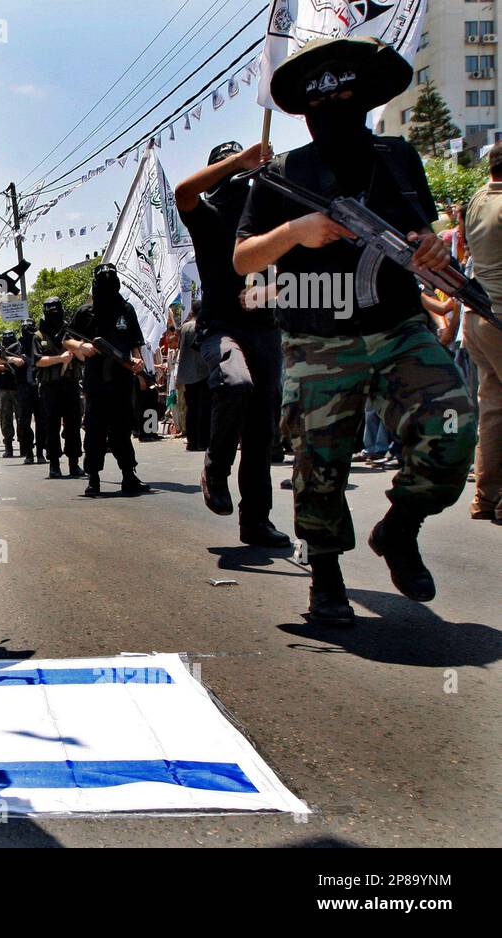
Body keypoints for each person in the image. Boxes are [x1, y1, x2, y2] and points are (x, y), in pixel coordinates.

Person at [234, 37, 477, 624]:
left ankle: (400, 528)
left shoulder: (396, 157)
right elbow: (243, 262)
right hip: (319, 340)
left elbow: (419, 231)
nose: (341, 107)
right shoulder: (284, 174)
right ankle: (324, 572)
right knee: (318, 467)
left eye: (350, 94)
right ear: (309, 112)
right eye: (329, 100)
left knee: (453, 433)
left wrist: (424, 247)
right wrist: (298, 231)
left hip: (397, 327)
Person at [176, 141, 292, 547]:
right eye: (229, 171)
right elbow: (183, 193)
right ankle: (216, 466)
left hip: (264, 329)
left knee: (261, 434)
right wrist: (236, 162)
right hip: (219, 326)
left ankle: (255, 521)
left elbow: (297, 271)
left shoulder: (266, 215)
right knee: (234, 383)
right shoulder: (206, 215)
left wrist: (271, 291)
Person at [66, 265, 151, 497]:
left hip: (122, 380)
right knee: (95, 429)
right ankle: (93, 478)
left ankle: (128, 476)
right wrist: (82, 346)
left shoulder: (125, 309)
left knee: (122, 428)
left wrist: (138, 362)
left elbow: (135, 342)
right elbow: (67, 340)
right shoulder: (86, 312)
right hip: (96, 382)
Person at [461, 149, 502, 524]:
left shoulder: (475, 201)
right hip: (500, 316)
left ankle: (485, 498)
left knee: (492, 410)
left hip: (477, 316)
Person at [34, 297, 83, 479]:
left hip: (70, 385)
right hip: (49, 388)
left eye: (55, 310)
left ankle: (74, 464)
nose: (52, 315)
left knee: (73, 426)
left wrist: (75, 351)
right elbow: (38, 361)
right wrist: (60, 359)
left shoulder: (70, 333)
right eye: (49, 311)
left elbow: (83, 356)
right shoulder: (38, 336)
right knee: (51, 427)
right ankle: (54, 465)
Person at [175, 301, 211, 453]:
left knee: (191, 408)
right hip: (202, 371)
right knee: (204, 408)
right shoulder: (201, 326)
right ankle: (202, 441)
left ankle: (192, 441)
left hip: (187, 372)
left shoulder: (184, 328)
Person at [0, 329, 23, 458]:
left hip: (17, 388)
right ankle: (8, 446)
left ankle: (24, 445)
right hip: (3, 390)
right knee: (6, 419)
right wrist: (0, 367)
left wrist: (6, 363)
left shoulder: (18, 349)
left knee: (21, 418)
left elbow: (21, 362)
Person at [14, 318, 42, 465]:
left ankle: (40, 453)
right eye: (24, 328)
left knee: (41, 421)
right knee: (24, 422)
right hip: (24, 387)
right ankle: (29, 452)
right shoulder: (17, 346)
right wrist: (13, 360)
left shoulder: (40, 342)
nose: (26, 330)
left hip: (39, 386)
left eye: (29, 327)